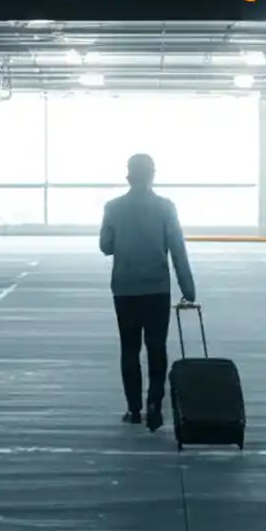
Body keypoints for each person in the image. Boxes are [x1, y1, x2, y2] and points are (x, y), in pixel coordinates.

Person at [99, 153, 196, 432]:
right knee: (157, 347)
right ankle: (155, 405)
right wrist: (188, 288)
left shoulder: (113, 207)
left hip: (125, 288)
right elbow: (177, 249)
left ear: (128, 175)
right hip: (157, 288)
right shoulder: (165, 207)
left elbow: (106, 246)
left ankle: (133, 409)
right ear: (153, 175)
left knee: (129, 348)